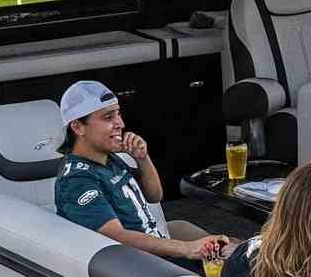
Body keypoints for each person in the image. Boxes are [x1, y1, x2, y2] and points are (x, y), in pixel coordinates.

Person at [52, 80, 230, 265]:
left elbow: (154, 196)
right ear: (78, 127)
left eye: (118, 114)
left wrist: (142, 158)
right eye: (108, 117)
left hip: (158, 245)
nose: (120, 123)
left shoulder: (108, 158)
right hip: (144, 266)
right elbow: (117, 237)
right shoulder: (77, 180)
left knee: (236, 248)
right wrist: (188, 249)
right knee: (241, 263)